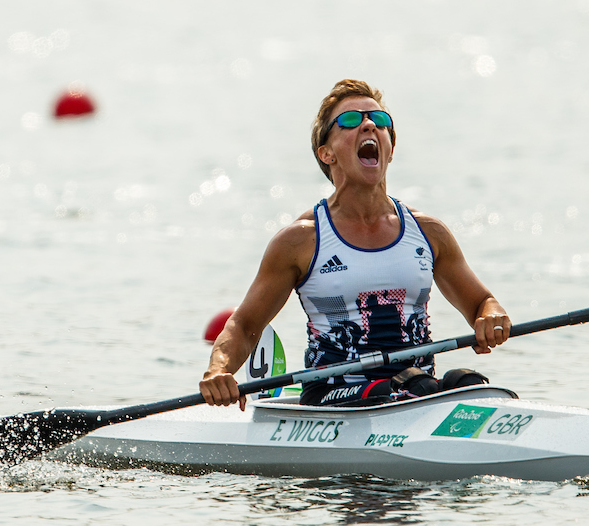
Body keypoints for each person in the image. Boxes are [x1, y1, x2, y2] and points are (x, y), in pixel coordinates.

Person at [199, 79, 511, 409]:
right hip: (332, 396)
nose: (368, 125)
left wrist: (492, 316)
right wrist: (218, 370)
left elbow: (482, 303)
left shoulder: (429, 233)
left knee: (470, 383)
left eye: (380, 120)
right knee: (409, 387)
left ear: (390, 148)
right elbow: (245, 325)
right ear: (326, 153)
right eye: (350, 120)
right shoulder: (301, 241)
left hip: (417, 389)